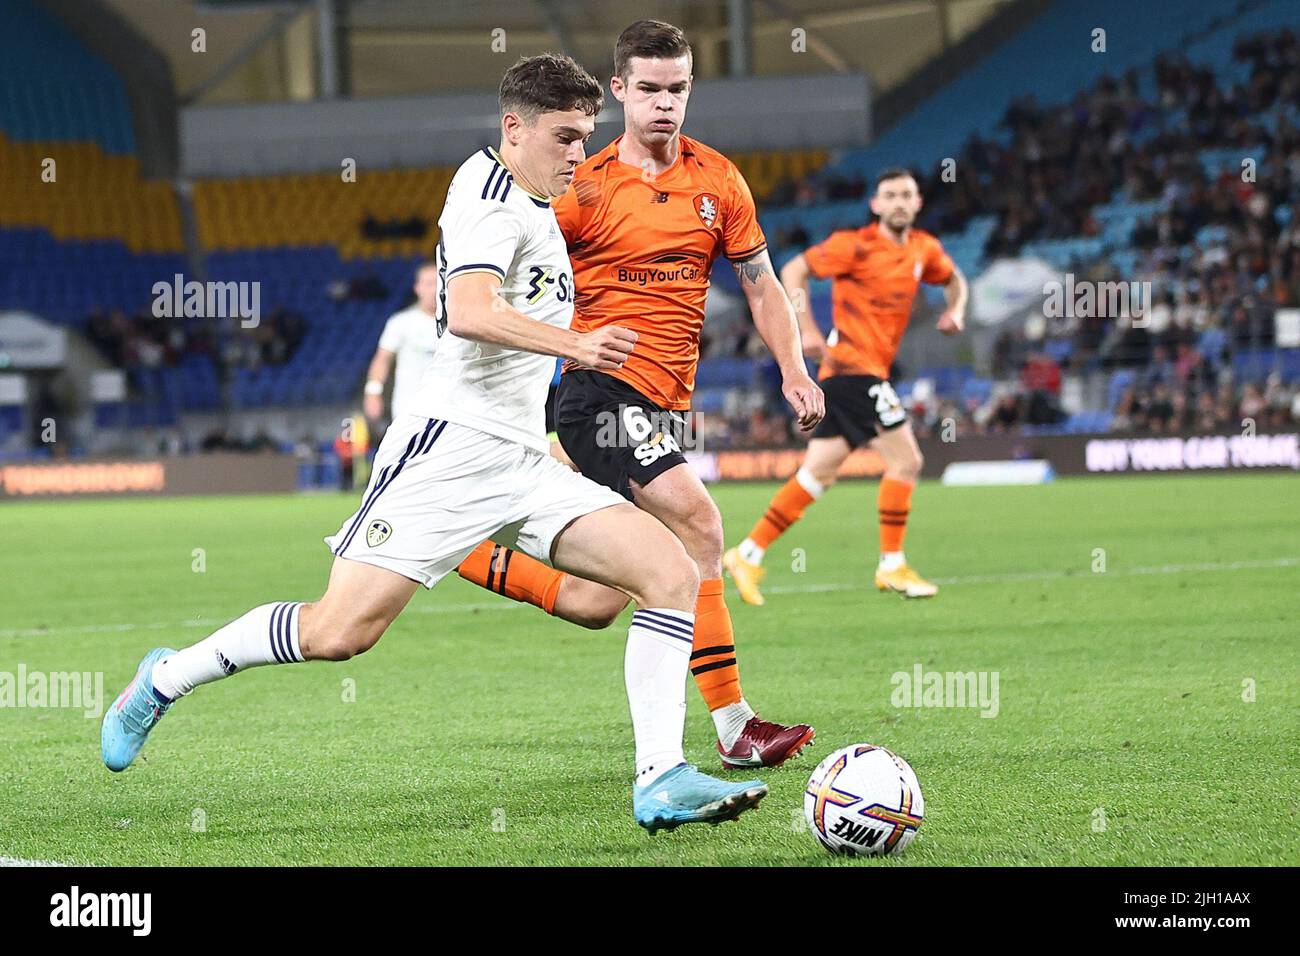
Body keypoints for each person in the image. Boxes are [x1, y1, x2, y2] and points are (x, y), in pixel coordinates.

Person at [102, 53, 768, 835]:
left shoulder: (540, 198)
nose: (578, 154)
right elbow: (472, 310)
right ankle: (165, 679)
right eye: (564, 137)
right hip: (447, 455)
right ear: (514, 128)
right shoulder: (489, 201)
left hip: (520, 458)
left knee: (665, 571)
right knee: (338, 634)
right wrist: (579, 345)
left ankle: (660, 777)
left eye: (586, 137)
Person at [451, 19, 826, 771]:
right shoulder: (579, 186)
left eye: (677, 89)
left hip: (664, 405)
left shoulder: (718, 180)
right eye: (649, 89)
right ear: (619, 90)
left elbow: (761, 284)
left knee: (598, 601)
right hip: (595, 394)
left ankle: (464, 546)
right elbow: (509, 266)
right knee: (701, 524)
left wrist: (793, 368)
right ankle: (735, 727)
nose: (664, 104)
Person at [724, 168, 968, 602]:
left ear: (917, 203)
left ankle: (747, 553)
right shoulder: (854, 245)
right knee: (907, 461)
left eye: (906, 195)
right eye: (889, 195)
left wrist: (956, 311)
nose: (898, 202)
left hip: (851, 375)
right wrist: (806, 329)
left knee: (817, 473)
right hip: (855, 369)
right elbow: (795, 269)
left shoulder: (924, 249)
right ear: (875, 204)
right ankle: (892, 565)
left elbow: (954, 280)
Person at [363, 262, 442, 425]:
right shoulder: (401, 322)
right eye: (429, 284)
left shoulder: (457, 324)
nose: (434, 289)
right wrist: (373, 391)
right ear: (417, 288)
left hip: (448, 409)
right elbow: (383, 359)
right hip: (409, 408)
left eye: (438, 283)